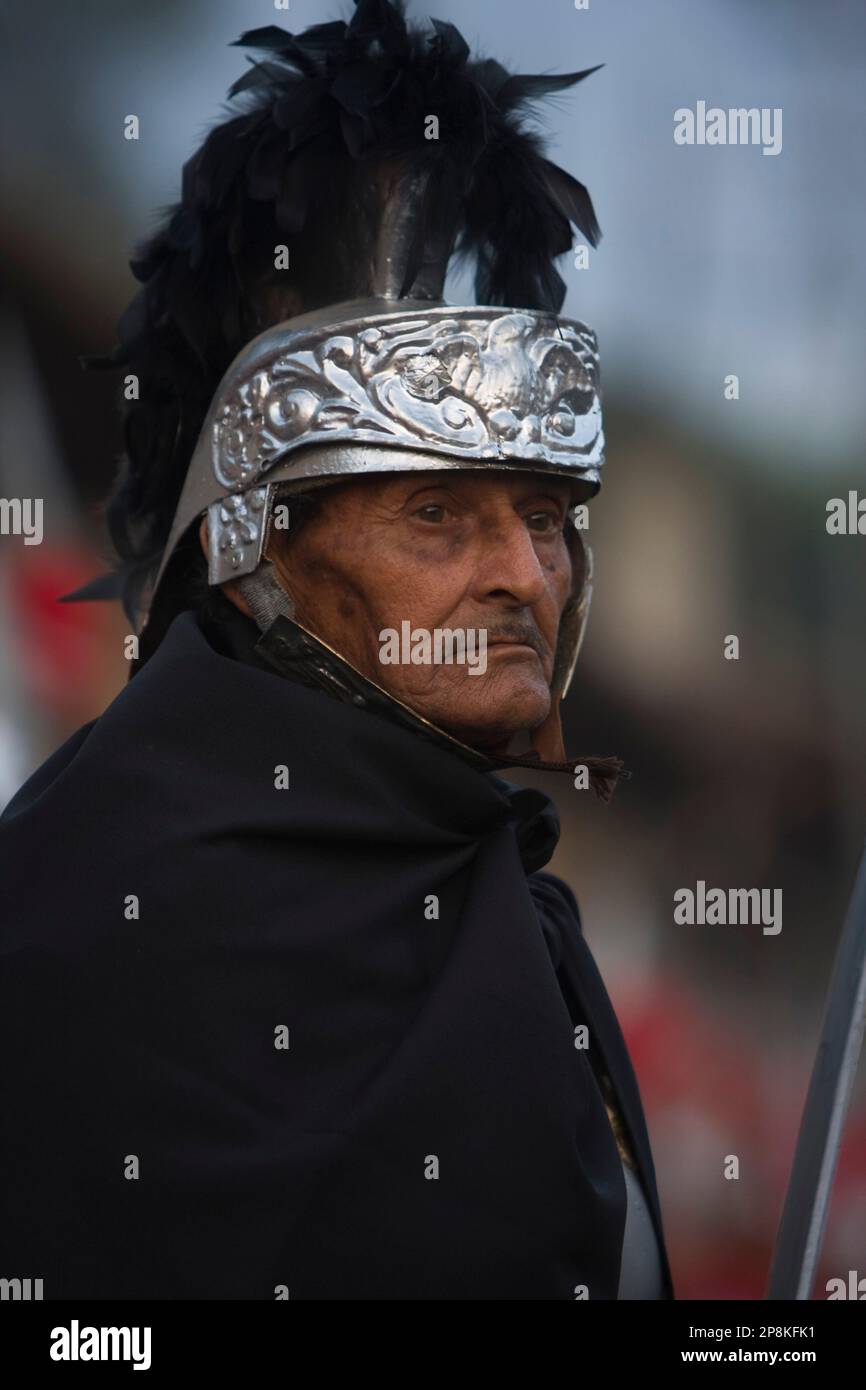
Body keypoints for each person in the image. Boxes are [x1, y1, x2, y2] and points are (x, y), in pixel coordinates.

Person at [0, 0, 673, 1300]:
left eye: (544, 519)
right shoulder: (76, 910)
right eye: (437, 515)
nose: (522, 574)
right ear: (257, 544)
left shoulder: (507, 901)